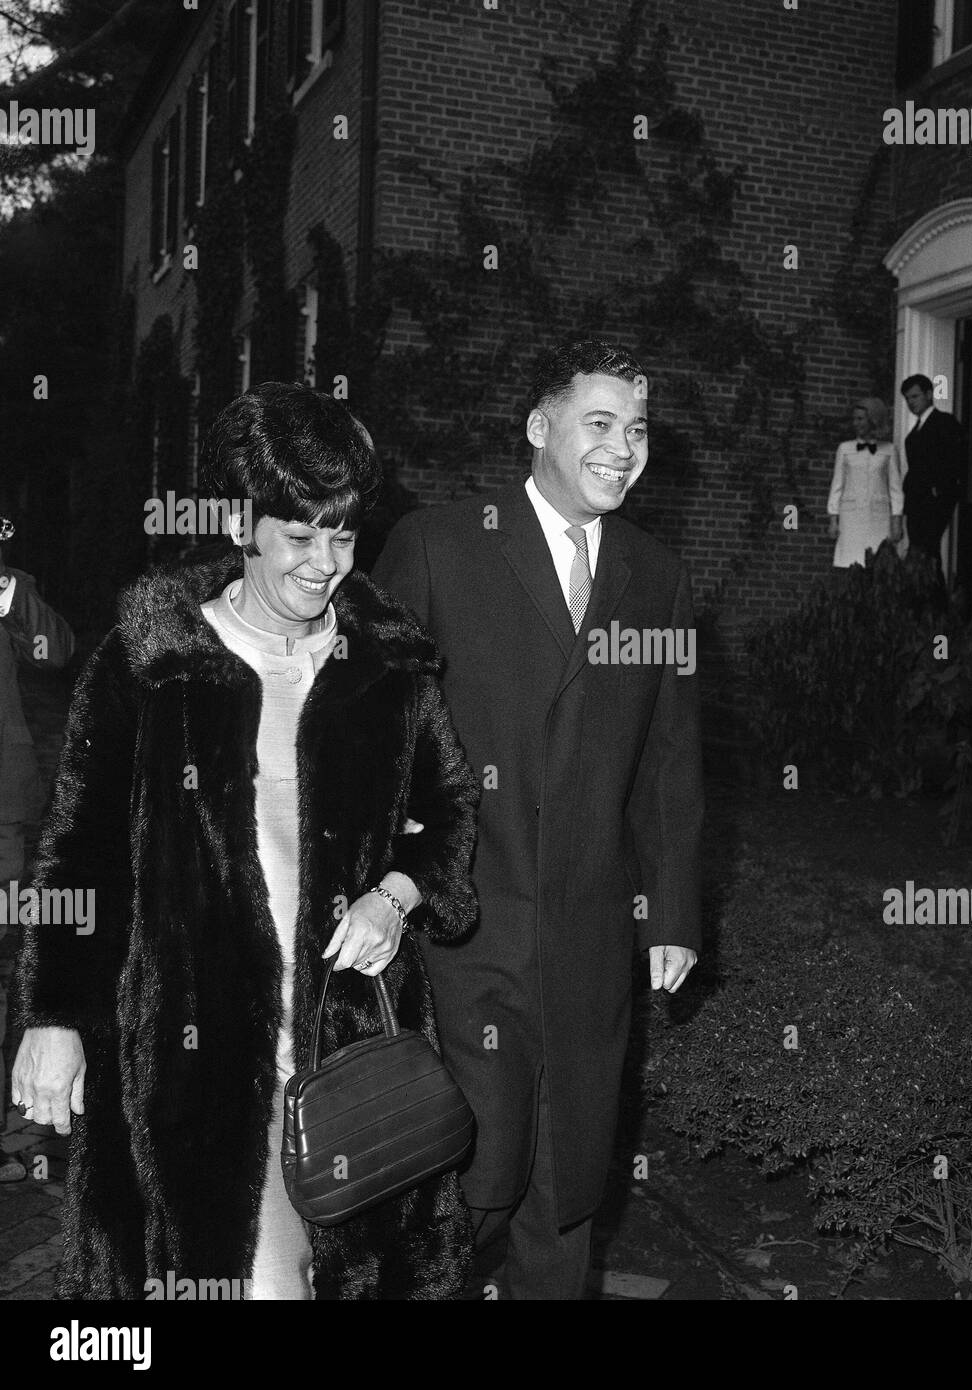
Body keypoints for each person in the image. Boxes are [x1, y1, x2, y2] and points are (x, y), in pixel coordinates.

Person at [11, 382, 479, 1299]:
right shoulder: (152, 663)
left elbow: (453, 812)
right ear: (241, 523)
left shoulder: (388, 663)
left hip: (344, 1045)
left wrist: (395, 895)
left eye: (343, 535)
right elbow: (80, 849)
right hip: (194, 1052)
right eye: (300, 536)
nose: (326, 563)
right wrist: (53, 1015)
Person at [374, 337, 703, 1300]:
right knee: (473, 1177)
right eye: (599, 423)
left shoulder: (656, 576)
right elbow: (371, 736)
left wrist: (673, 913)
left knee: (563, 1191)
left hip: (592, 934)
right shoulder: (439, 545)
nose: (622, 447)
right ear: (539, 427)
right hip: (458, 930)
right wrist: (382, 888)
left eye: (636, 429)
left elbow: (670, 762)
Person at [0, 515, 75, 1183]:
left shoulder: (12, 590)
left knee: (8, 970)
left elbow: (55, 651)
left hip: (0, 812)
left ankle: (16, 1130)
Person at [899, 373, 966, 574]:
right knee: (919, 552)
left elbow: (955, 459)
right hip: (915, 501)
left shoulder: (944, 423)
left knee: (928, 551)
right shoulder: (913, 434)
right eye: (908, 398)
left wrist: (942, 490)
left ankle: (934, 601)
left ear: (929, 394)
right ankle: (924, 600)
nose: (911, 402)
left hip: (934, 500)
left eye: (915, 396)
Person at [826, 396, 905, 567]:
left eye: (860, 419)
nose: (856, 423)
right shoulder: (845, 449)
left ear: (873, 420)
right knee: (850, 566)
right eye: (854, 419)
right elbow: (837, 487)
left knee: (877, 566)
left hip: (879, 518)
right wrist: (833, 520)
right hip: (851, 518)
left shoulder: (889, 450)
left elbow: (896, 490)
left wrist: (896, 522)